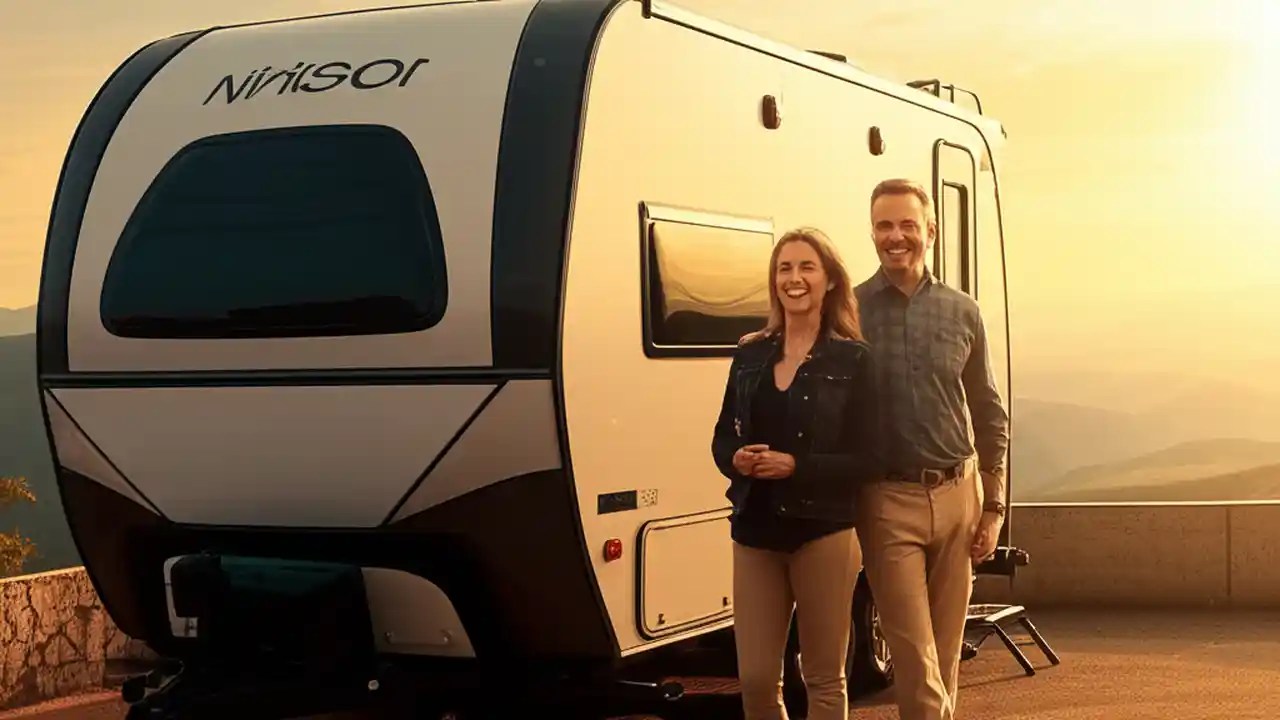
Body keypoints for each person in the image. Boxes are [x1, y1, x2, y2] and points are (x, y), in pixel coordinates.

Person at [852, 179, 1010, 720]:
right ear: (872, 231)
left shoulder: (963, 311)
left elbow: (989, 411)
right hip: (885, 500)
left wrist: (993, 506)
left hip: (960, 494)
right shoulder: (848, 311)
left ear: (931, 231)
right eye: (883, 226)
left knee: (945, 659)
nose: (895, 237)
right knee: (916, 663)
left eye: (906, 225)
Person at [710, 227, 883, 720]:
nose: (794, 278)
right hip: (755, 531)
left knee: (824, 678)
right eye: (784, 268)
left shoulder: (854, 359)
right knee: (757, 680)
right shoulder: (750, 353)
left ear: (829, 281)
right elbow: (723, 436)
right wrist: (736, 459)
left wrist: (797, 466)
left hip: (823, 532)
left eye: (807, 267)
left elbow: (872, 457)